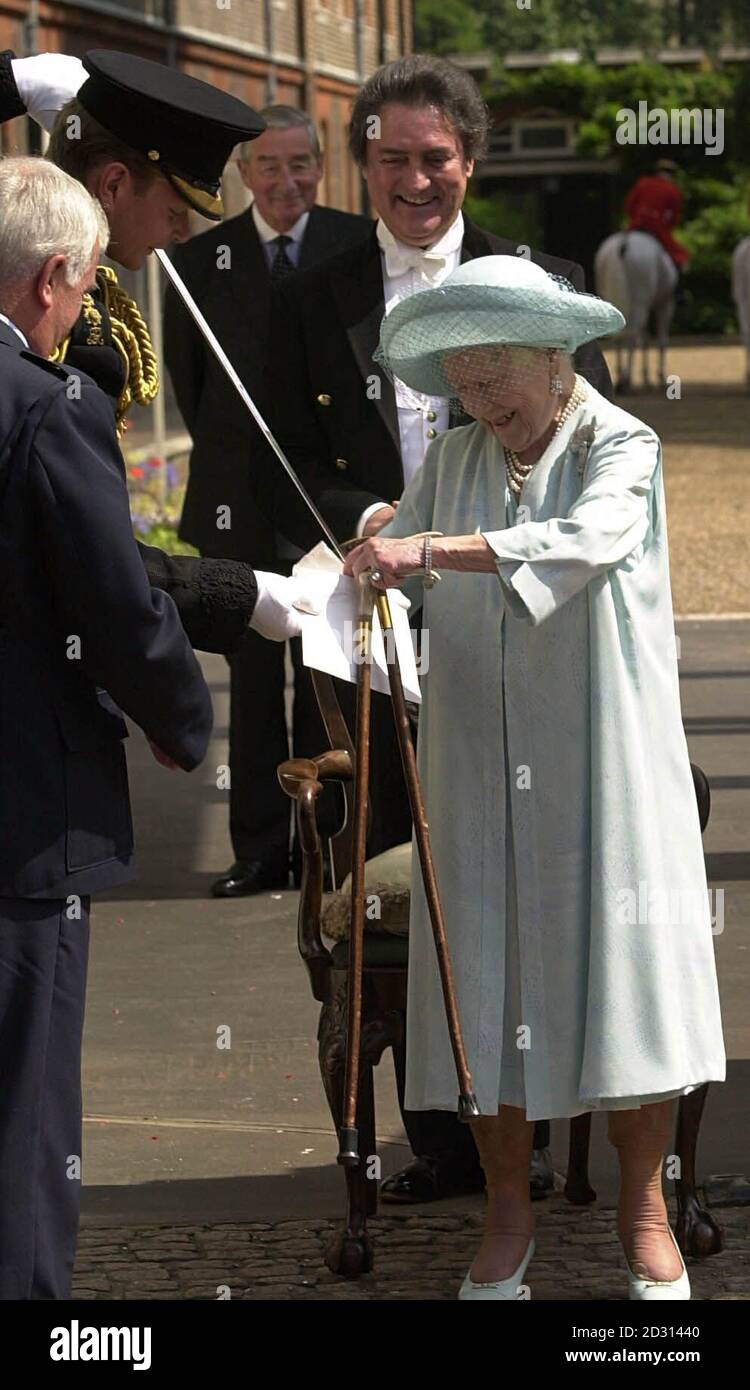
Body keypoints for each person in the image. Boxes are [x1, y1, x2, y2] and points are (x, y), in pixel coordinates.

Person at [251, 53, 612, 1205]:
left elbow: (580, 444)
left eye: (438, 158)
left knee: (516, 861)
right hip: (367, 629)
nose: (417, 181)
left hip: (511, 620)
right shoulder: (311, 289)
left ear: (471, 159)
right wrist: (367, 521)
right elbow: (274, 458)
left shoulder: (541, 279)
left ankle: (537, 1114)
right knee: (390, 859)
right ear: (365, 160)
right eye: (395, 158)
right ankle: (441, 1142)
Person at [344, 253, 726, 1299]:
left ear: (554, 361)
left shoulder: (624, 440)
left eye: (494, 380)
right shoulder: (460, 456)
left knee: (624, 976)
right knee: (485, 970)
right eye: (462, 386)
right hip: (475, 758)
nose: (479, 403)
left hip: (604, 757)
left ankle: (646, 1212)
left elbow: (584, 539)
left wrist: (424, 548)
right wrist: (379, 541)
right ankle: (507, 1217)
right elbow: (410, 550)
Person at [0, 48, 305, 655]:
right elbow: (80, 550)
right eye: (174, 210)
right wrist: (13, 82)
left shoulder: (99, 307)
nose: (183, 234)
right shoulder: (53, 315)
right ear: (114, 183)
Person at [164, 106, 371, 897]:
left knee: (331, 683)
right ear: (244, 176)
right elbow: (192, 384)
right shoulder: (200, 257)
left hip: (326, 502)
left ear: (323, 168)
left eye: (301, 164)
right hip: (236, 508)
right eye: (269, 166)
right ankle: (257, 851)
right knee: (251, 691)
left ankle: (332, 845)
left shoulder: (356, 245)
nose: (287, 181)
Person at [624, 159, 690, 275]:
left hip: (635, 225)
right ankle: (679, 291)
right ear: (672, 174)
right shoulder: (672, 190)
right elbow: (674, 219)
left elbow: (628, 207)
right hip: (657, 228)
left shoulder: (642, 183)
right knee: (681, 255)